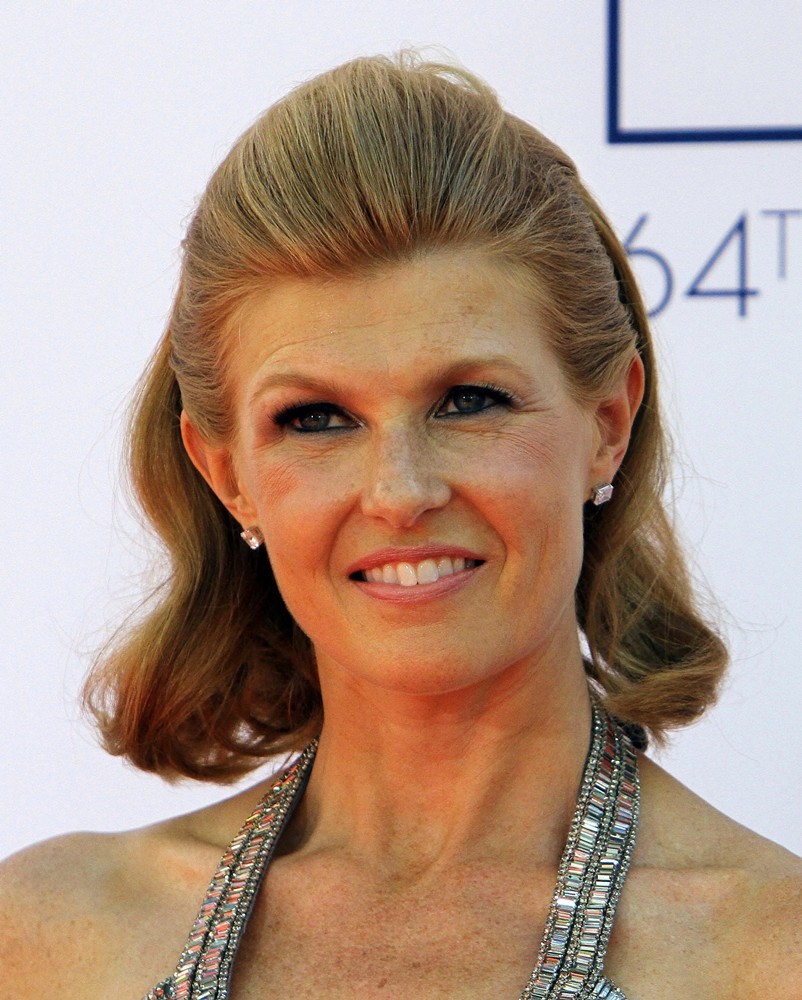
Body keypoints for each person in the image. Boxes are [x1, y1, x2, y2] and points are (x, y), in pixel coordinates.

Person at [1, 52, 800, 1000]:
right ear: (227, 475)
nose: (398, 492)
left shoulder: (766, 953)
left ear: (607, 426)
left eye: (468, 401)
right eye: (316, 419)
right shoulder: (54, 940)